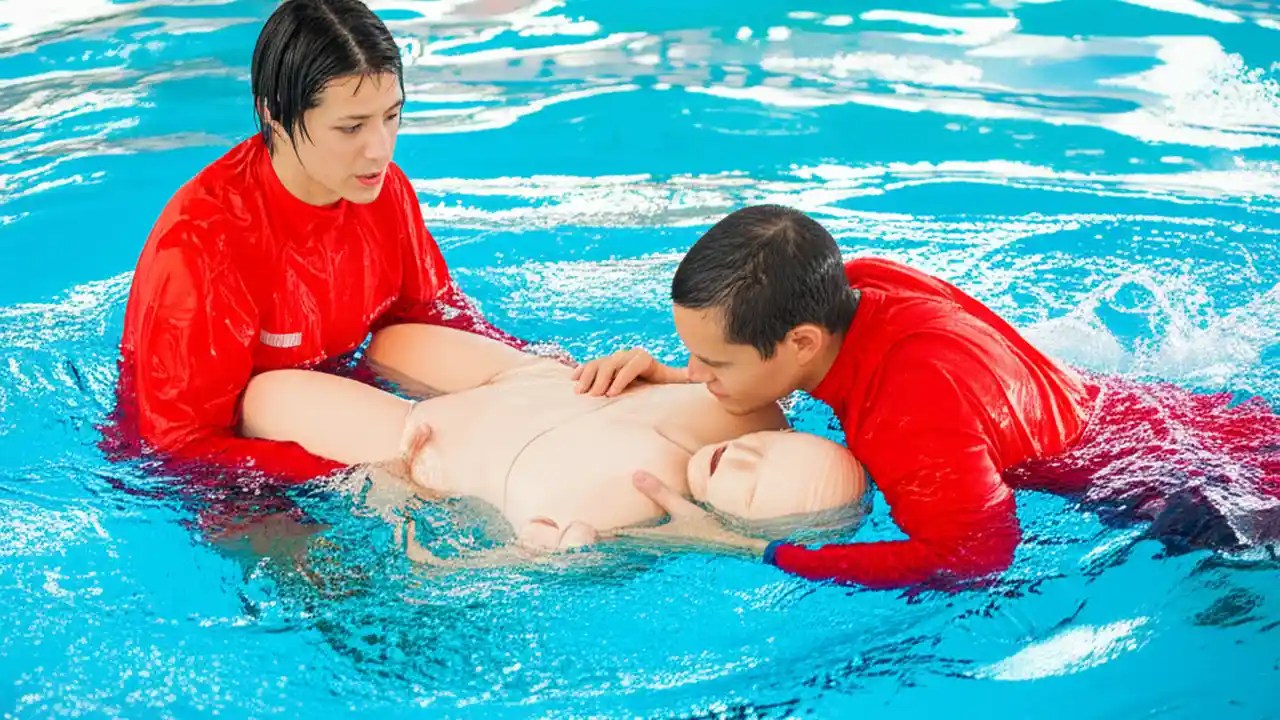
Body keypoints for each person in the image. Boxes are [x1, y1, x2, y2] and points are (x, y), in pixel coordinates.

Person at [573, 204, 1280, 588]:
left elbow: (974, 558)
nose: (696, 370)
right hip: (1191, 421)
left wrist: (747, 550)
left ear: (802, 344)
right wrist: (683, 376)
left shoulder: (908, 414)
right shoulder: (861, 283)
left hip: (1198, 491)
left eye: (712, 358)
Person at [102, 0, 527, 484]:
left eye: (391, 116)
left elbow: (437, 315)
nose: (380, 148)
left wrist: (555, 371)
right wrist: (350, 477)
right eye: (352, 127)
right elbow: (178, 450)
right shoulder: (203, 243)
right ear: (274, 114)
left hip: (333, 408)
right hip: (211, 475)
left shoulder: (382, 193)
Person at [237, 324, 870, 551]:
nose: (746, 457)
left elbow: (493, 568)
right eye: (774, 449)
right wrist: (660, 371)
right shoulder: (754, 415)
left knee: (263, 396)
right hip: (523, 378)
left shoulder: (629, 521)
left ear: (740, 528)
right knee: (390, 339)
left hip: (429, 441)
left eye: (753, 486)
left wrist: (400, 498)